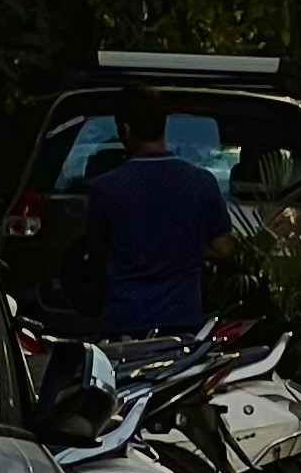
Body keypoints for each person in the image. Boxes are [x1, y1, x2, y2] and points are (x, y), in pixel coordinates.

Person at [90, 91, 235, 337]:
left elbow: (97, 252)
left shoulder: (107, 189)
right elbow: (225, 249)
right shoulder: (201, 183)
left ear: (125, 130)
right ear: (163, 126)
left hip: (125, 323)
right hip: (184, 320)